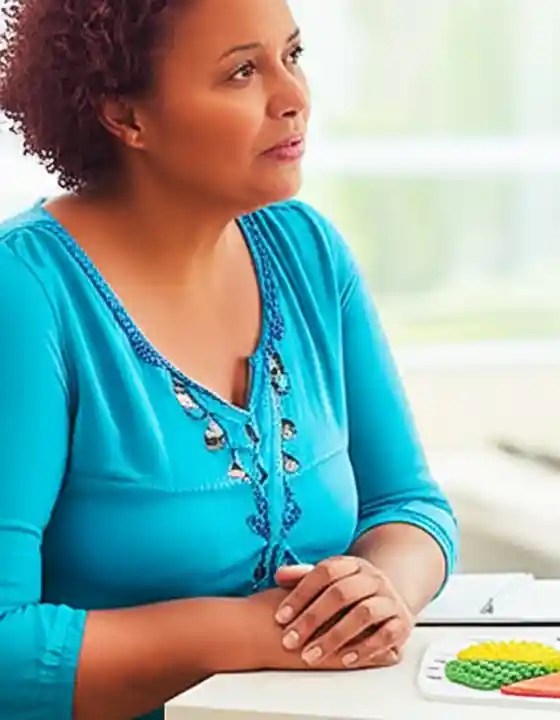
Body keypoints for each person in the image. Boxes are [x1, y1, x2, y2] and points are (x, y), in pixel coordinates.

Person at [0, 0, 458, 717]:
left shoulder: (306, 252)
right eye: (242, 72)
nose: (293, 98)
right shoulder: (25, 294)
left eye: (293, 57)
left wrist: (380, 591)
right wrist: (240, 631)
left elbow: (408, 506)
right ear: (127, 116)